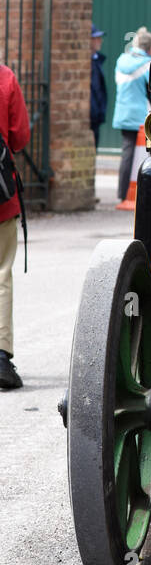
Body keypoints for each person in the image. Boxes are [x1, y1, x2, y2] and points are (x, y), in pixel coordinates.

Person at [0, 65, 31, 390]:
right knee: (0, 275)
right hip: (0, 198)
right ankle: (0, 357)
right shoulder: (5, 77)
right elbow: (20, 137)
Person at [112, 28, 151, 202]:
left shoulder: (121, 60)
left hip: (122, 114)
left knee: (126, 155)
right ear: (150, 49)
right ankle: (143, 193)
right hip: (141, 116)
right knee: (148, 155)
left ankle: (122, 193)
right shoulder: (148, 63)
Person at [90, 24, 108, 148]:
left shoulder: (96, 60)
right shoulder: (88, 62)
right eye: (96, 38)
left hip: (96, 118)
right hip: (90, 117)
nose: (99, 41)